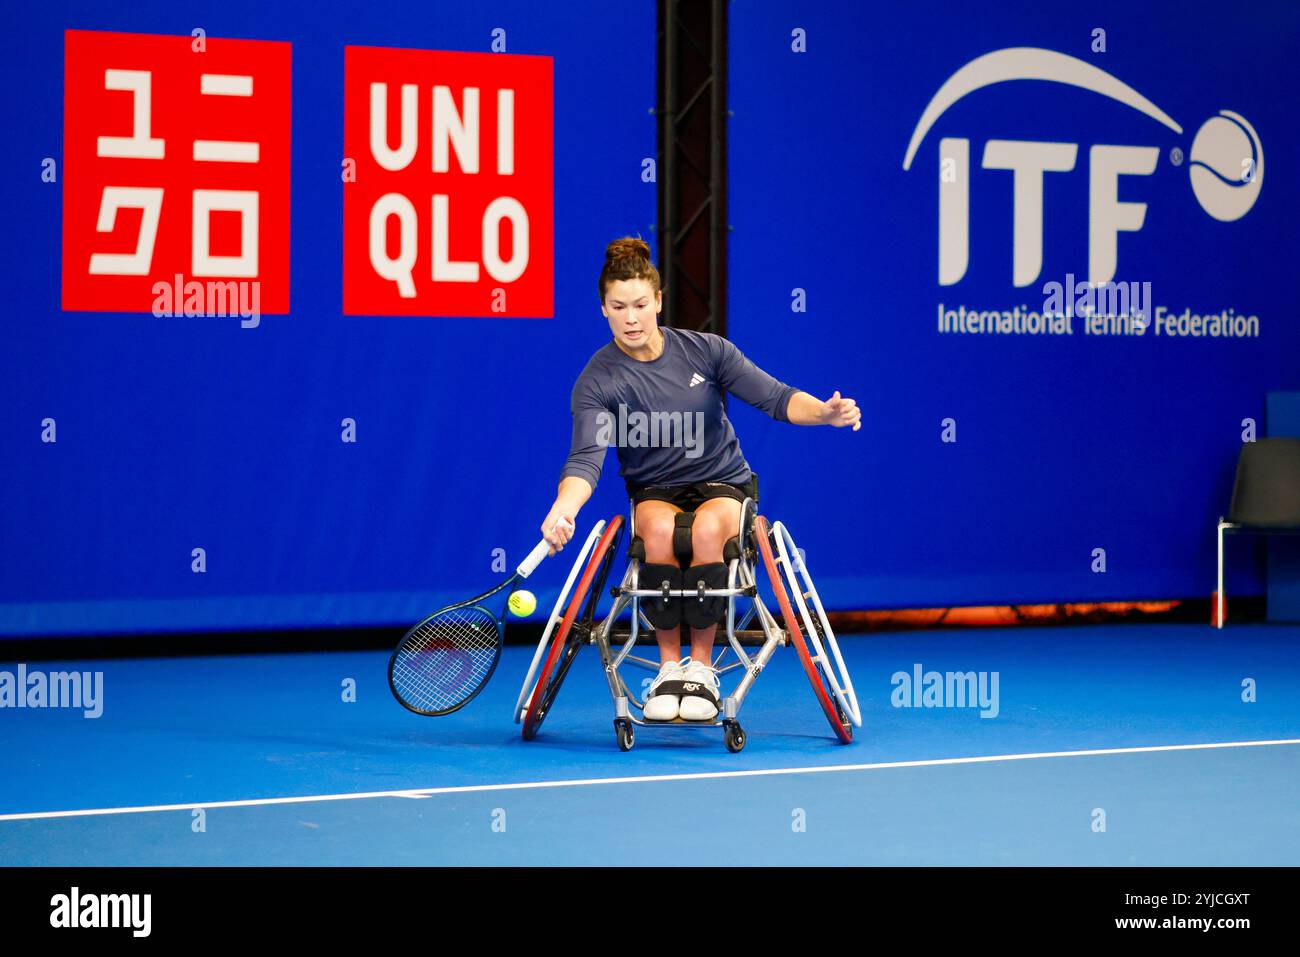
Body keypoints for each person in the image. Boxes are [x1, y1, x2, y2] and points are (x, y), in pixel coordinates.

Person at [540, 236, 860, 721]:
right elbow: (587, 460)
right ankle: (670, 670)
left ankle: (703, 669)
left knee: (708, 530)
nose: (631, 318)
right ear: (603, 309)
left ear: (659, 301)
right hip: (654, 491)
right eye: (618, 306)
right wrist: (564, 508)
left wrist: (825, 412)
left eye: (641, 305)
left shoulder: (706, 352)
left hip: (723, 484)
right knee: (662, 532)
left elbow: (775, 398)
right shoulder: (598, 380)